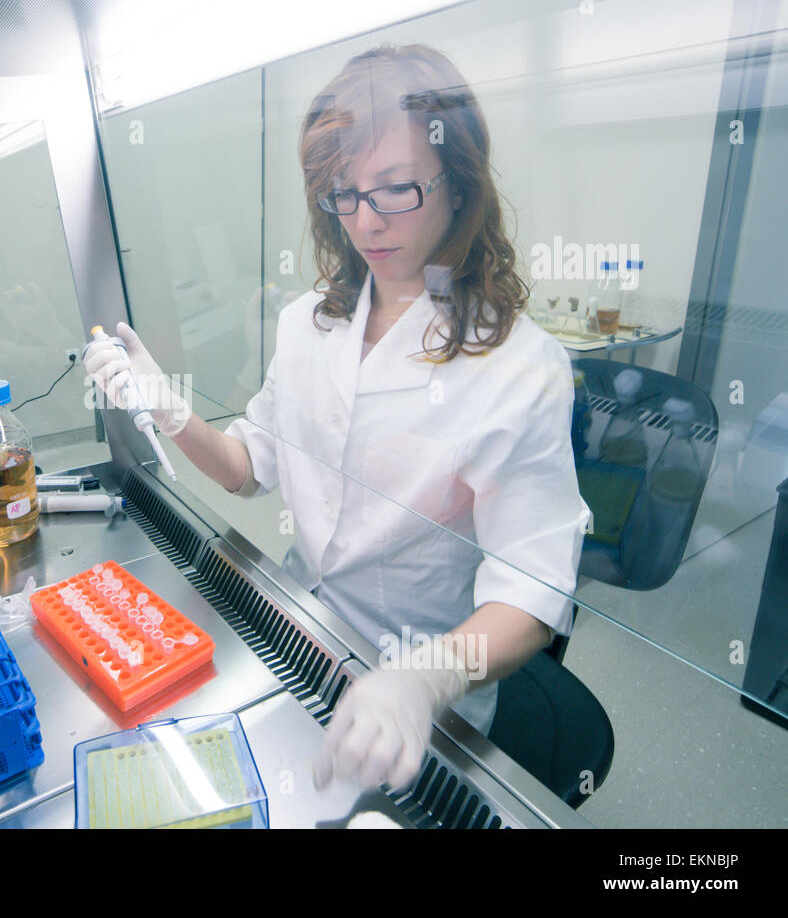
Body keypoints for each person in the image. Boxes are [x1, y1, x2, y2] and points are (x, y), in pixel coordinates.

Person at [85, 43, 589, 794]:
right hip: (301, 634)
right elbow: (249, 468)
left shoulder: (520, 367)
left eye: (394, 190)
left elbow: (531, 598)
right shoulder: (309, 324)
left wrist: (421, 679)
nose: (366, 221)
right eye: (343, 194)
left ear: (458, 184)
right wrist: (170, 405)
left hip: (420, 692)